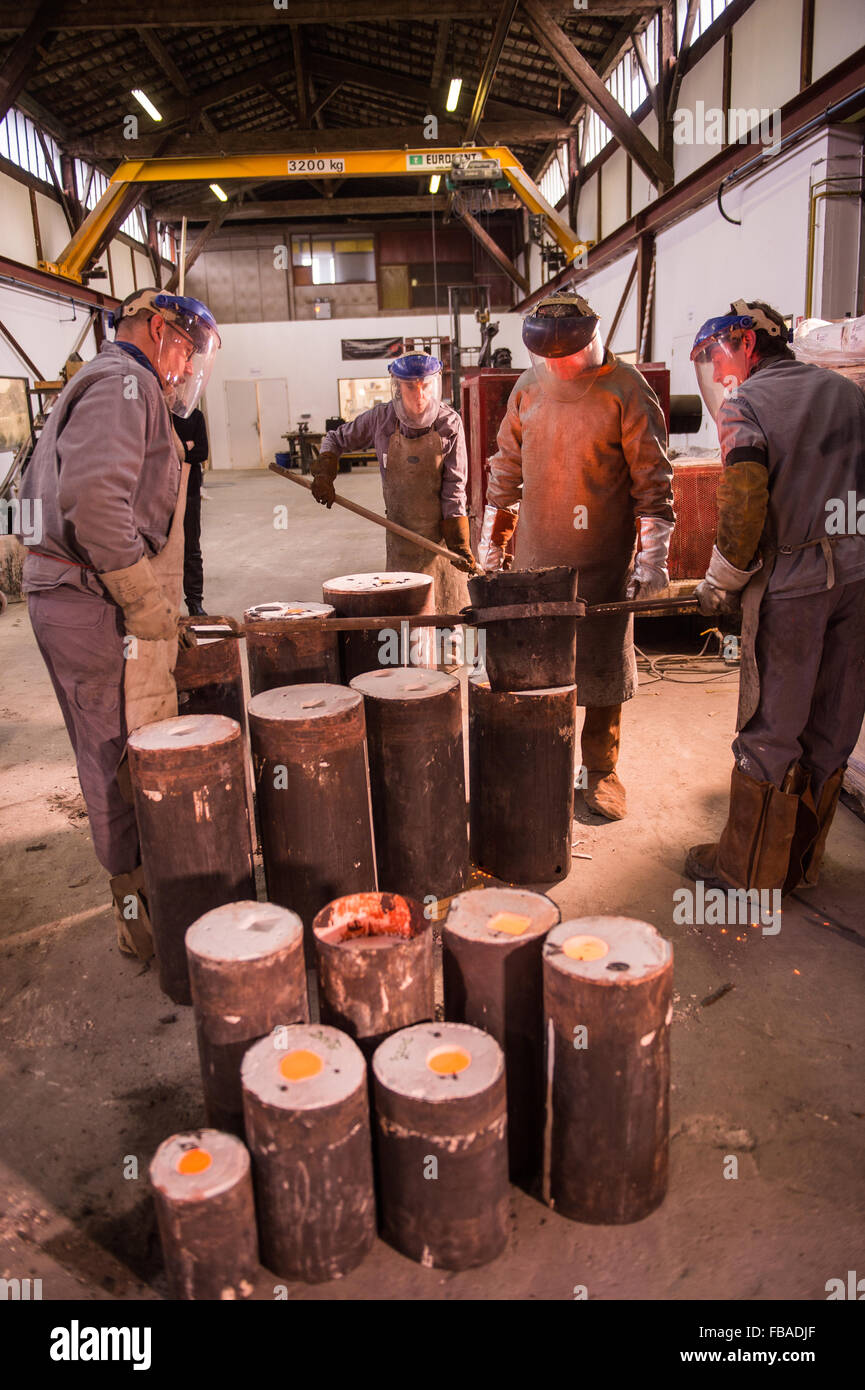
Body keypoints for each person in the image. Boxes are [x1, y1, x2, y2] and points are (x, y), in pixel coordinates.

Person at [20, 288, 221, 956]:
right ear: (158, 329)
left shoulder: (118, 383)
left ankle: (152, 896)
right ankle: (141, 922)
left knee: (127, 744)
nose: (188, 367)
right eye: (187, 350)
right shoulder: (123, 386)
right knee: (115, 755)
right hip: (90, 598)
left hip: (85, 591)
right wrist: (142, 601)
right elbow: (94, 503)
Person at [685, 299, 865, 893]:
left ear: (747, 342)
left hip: (794, 585)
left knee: (771, 727)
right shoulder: (846, 393)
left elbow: (742, 508)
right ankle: (801, 866)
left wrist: (719, 584)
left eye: (716, 354)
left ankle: (746, 873)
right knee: (836, 721)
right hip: (859, 579)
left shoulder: (747, 406)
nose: (715, 371)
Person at [481, 291, 674, 821]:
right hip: (536, 564)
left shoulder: (625, 390)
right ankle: (543, 767)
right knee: (540, 674)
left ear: (590, 340)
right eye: (550, 357)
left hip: (602, 564)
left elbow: (653, 486)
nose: (560, 365)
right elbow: (504, 472)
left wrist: (651, 562)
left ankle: (602, 770)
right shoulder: (529, 386)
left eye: (568, 355)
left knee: (602, 670)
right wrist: (493, 550)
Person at [311, 353, 476, 610]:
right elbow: (335, 439)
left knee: (449, 615)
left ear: (436, 385)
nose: (419, 395)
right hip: (400, 537)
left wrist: (459, 544)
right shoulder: (381, 419)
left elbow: (454, 488)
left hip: (441, 541)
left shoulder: (449, 422)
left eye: (425, 386)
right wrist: (324, 471)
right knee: (409, 620)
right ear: (398, 387)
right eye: (411, 386)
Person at [171, 405, 209, 616]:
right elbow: (157, 452)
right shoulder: (159, 414)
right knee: (163, 549)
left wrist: (180, 451)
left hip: (190, 491)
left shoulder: (195, 416)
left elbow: (202, 452)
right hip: (162, 493)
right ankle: (165, 602)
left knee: (191, 548)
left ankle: (195, 602)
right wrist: (187, 448)